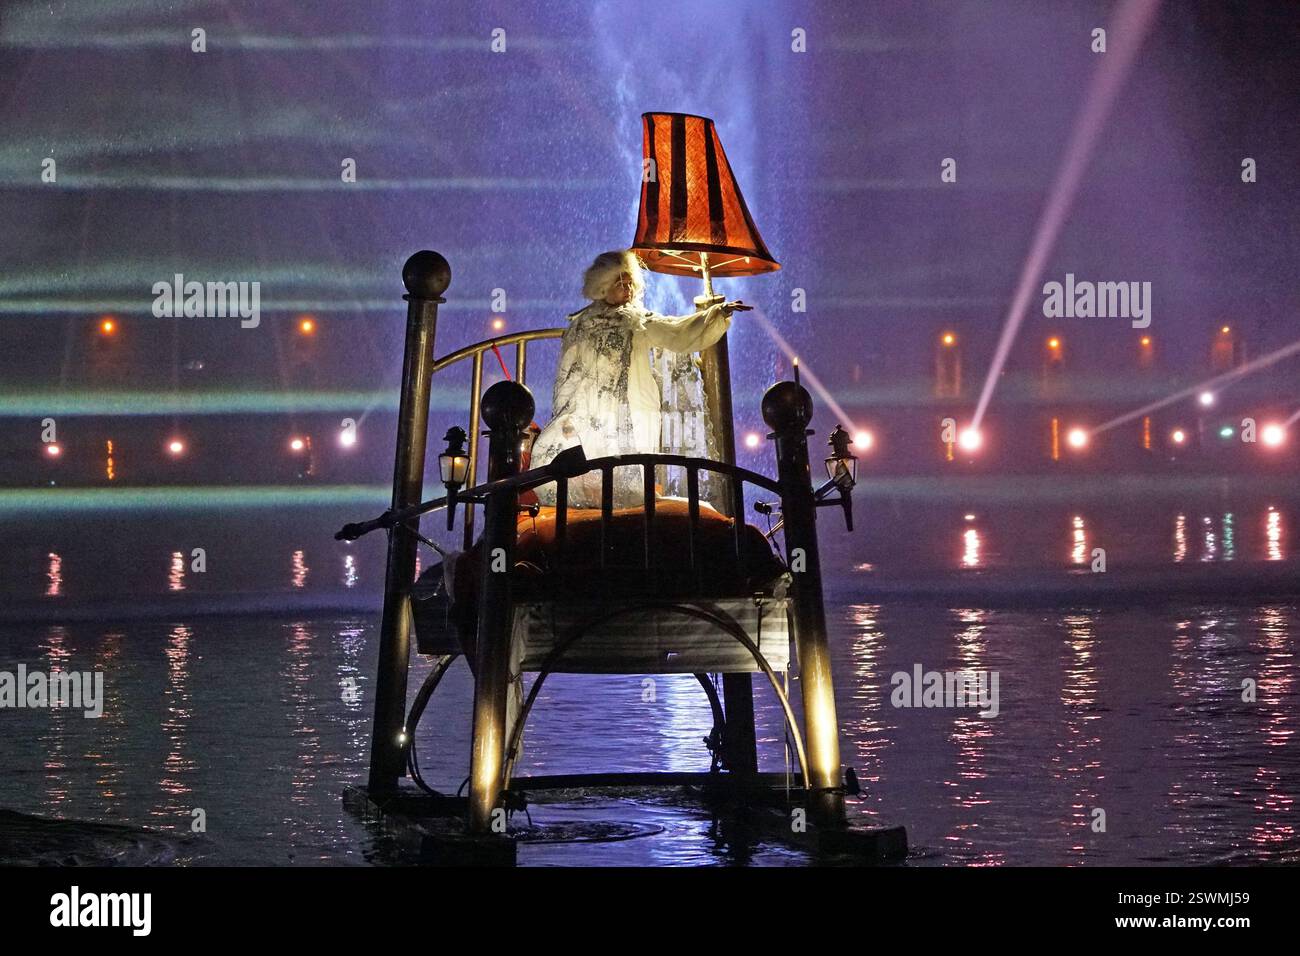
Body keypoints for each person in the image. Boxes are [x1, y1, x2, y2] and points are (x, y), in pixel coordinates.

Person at [530, 249, 751, 507]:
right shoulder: (582, 324)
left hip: (634, 407)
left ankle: (630, 508)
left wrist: (716, 313)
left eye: (630, 282)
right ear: (602, 287)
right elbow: (568, 370)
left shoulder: (636, 320)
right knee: (592, 463)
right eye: (619, 283)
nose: (628, 289)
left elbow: (675, 330)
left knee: (630, 468)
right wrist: (565, 411)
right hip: (591, 410)